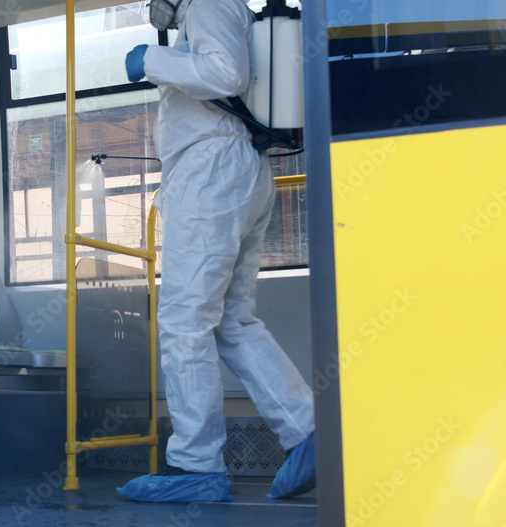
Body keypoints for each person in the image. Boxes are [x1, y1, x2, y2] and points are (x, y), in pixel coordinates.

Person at [115, 0, 316, 503]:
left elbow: (225, 73)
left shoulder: (208, 3)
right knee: (231, 319)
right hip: (236, 168)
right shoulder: (211, 11)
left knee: (185, 319)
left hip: (211, 170)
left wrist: (152, 61)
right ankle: (308, 431)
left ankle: (195, 464)